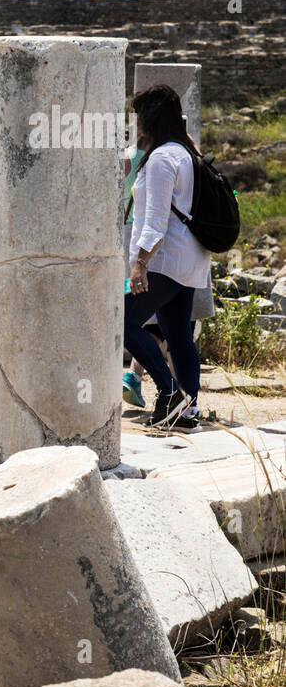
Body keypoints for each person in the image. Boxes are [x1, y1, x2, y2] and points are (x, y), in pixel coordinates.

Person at [124, 84, 211, 430]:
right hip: (190, 262)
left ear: (151, 118)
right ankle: (186, 411)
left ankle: (169, 391)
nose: (137, 123)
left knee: (124, 323)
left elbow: (156, 221)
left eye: (140, 115)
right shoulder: (187, 152)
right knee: (177, 335)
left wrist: (140, 264)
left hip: (163, 262)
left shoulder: (161, 159)